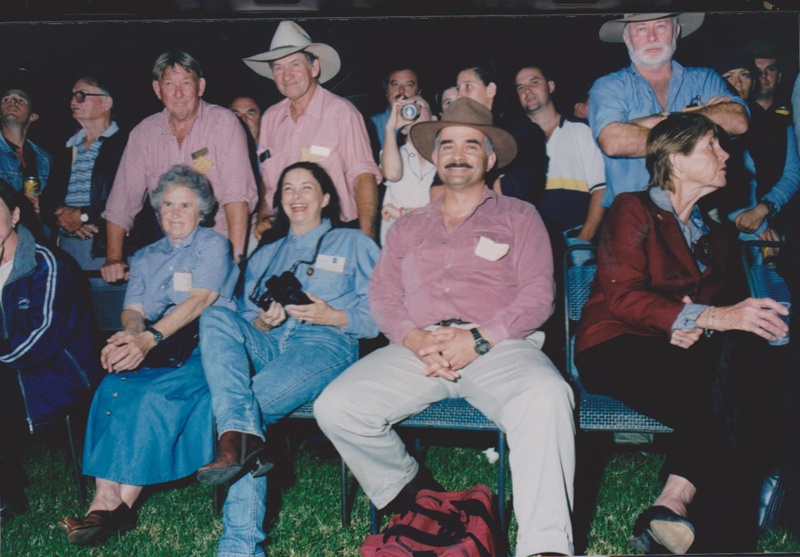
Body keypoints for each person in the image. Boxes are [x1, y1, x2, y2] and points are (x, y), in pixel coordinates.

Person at [315, 98, 576, 557]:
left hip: (499, 346)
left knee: (548, 396)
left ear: (489, 158)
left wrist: (478, 339)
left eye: (471, 144)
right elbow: (382, 297)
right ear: (434, 158)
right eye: (448, 144)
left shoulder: (520, 217)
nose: (458, 153)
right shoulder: (407, 228)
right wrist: (413, 338)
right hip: (419, 347)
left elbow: (539, 296)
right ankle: (416, 495)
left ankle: (546, 546)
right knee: (337, 406)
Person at [575, 113, 789, 554]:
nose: (726, 154)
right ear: (675, 160)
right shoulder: (632, 209)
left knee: (735, 395)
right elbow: (622, 296)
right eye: (712, 145)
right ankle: (685, 503)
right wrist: (699, 320)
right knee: (736, 404)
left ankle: (672, 515)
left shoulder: (717, 233)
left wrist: (719, 321)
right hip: (615, 345)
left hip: (684, 358)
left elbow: (722, 313)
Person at [195, 161, 379, 557]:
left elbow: (382, 314)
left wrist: (335, 316)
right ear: (278, 200)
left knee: (248, 410)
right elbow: (244, 319)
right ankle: (238, 434)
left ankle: (239, 548)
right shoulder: (267, 254)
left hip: (324, 342)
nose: (297, 196)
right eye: (288, 189)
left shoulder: (354, 244)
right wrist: (262, 322)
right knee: (214, 315)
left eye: (307, 188)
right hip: (271, 343)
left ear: (326, 198)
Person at [58, 165, 239, 546]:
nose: (175, 213)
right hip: (160, 344)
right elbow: (133, 310)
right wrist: (130, 336)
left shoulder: (213, 245)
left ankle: (110, 507)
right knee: (112, 386)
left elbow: (200, 300)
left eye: (185, 205)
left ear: (202, 211)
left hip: (207, 346)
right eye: (168, 204)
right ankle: (108, 505)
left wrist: (150, 339)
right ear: (157, 211)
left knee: (150, 397)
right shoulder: (144, 256)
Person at [101, 51, 257, 283]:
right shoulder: (143, 134)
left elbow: (237, 197)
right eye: (169, 84)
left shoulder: (224, 123)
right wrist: (113, 257)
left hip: (229, 238)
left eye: (186, 83)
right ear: (157, 89)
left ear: (200, 86)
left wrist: (233, 260)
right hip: (176, 248)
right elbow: (121, 202)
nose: (178, 93)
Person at [0, 179, 102, 520]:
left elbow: (42, 336)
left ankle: (6, 492)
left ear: (15, 215)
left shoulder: (46, 264)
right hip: (12, 364)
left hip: (60, 369)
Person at [590, 13, 749, 208]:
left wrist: (644, 123)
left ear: (677, 31)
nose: (652, 37)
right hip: (632, 216)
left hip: (698, 212)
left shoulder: (705, 78)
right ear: (626, 38)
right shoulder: (608, 86)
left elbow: (738, 121)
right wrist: (701, 116)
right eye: (641, 28)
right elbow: (614, 142)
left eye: (661, 26)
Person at [245, 20, 382, 241]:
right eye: (278, 68)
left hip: (335, 229)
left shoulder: (342, 113)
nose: (286, 75)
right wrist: (263, 216)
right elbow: (267, 179)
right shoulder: (270, 117)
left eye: (295, 65)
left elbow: (363, 177)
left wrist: (365, 241)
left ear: (314, 67)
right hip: (283, 231)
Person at [40, 73, 130, 276]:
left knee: (107, 306)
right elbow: (46, 202)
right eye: (72, 96)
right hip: (66, 249)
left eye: (81, 95)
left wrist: (82, 215)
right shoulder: (68, 147)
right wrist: (63, 218)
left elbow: (131, 199)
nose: (73, 101)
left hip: (106, 249)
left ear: (106, 103)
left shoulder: (126, 145)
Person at [514, 64, 606, 244]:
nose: (527, 91)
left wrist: (584, 239)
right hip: (530, 243)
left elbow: (601, 189)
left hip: (575, 241)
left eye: (534, 82)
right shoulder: (513, 140)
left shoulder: (582, 130)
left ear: (550, 86)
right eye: (521, 87)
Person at [713, 50, 800, 241]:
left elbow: (793, 174)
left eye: (744, 74)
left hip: (769, 220)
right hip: (727, 227)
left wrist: (765, 208)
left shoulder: (772, 120)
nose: (737, 83)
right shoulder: (709, 123)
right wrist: (759, 226)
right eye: (728, 76)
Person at [455, 58, 549, 205]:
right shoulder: (455, 134)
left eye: (468, 86)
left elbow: (513, 189)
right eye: (458, 89)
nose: (459, 96)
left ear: (490, 90)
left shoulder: (522, 132)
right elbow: (437, 191)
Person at [379, 94, 437, 245]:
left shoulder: (444, 159)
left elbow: (441, 213)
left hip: (432, 248)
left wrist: (400, 213)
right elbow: (392, 174)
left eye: (419, 105)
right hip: (397, 250)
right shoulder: (391, 155)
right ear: (403, 130)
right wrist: (390, 129)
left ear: (434, 120)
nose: (413, 109)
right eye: (409, 106)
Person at [0, 88, 51, 213]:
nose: (12, 102)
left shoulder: (46, 159)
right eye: (6, 99)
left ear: (33, 116)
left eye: (20, 100)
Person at [370, 66, 421, 150]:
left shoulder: (426, 121)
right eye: (395, 85)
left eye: (408, 85)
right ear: (387, 91)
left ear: (418, 92)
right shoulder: (371, 125)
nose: (401, 91)